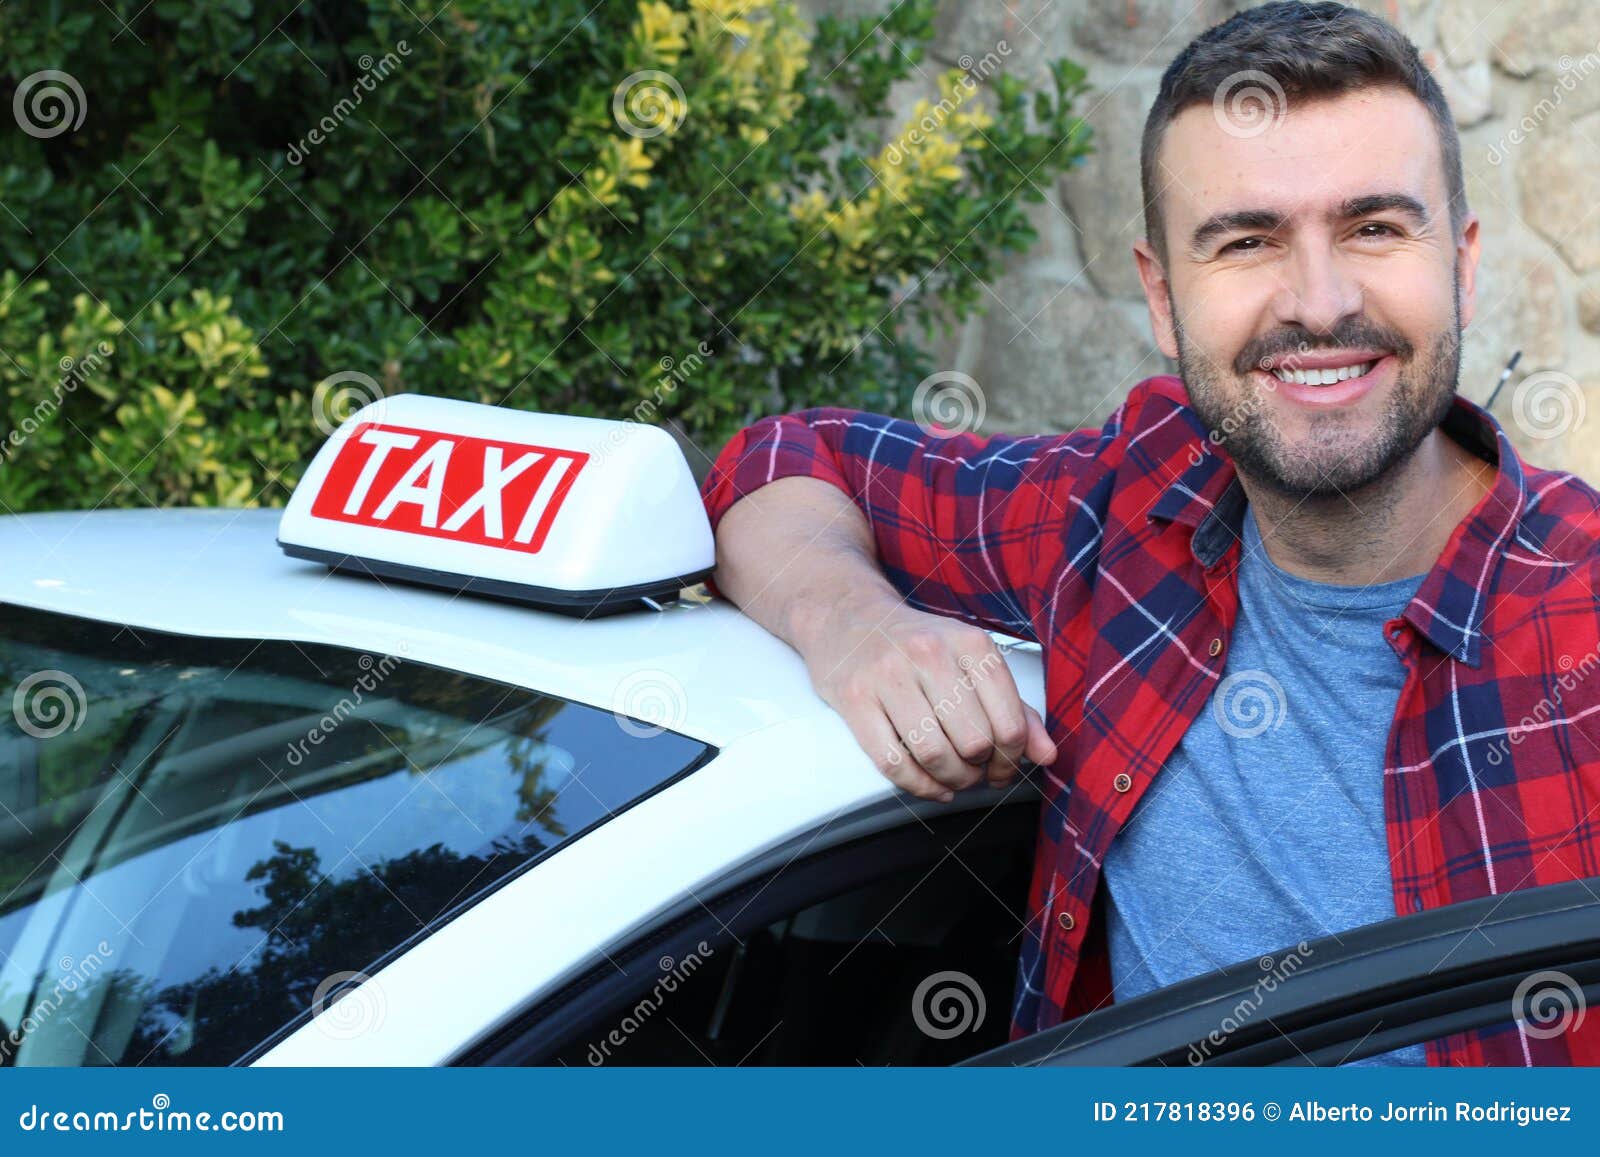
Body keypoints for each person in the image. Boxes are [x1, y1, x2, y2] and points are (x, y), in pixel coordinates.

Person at [697, 1, 1600, 1065]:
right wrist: (854, 627)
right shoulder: (1129, 505)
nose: (1317, 302)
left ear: (1462, 262)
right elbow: (785, 462)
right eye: (1247, 241)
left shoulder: (1576, 622)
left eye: (1372, 227)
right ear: (1163, 300)